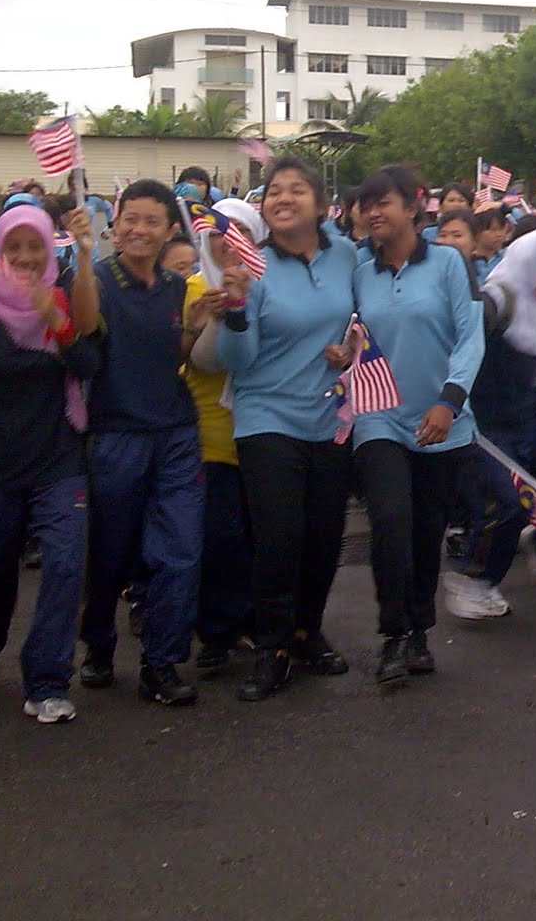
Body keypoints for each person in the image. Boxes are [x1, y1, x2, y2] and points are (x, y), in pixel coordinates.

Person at [216, 157, 359, 702]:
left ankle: (307, 631)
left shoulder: (347, 256)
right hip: (266, 415)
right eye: (274, 190)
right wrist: (234, 307)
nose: (284, 198)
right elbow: (239, 359)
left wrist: (351, 348)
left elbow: (365, 322)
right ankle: (270, 647)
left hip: (332, 418)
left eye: (297, 190)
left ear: (322, 206)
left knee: (325, 538)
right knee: (279, 537)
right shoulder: (251, 266)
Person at [0, 204, 101, 724]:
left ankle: (47, 681)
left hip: (58, 462)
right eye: (12, 247)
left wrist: (54, 319)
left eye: (33, 247)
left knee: (64, 565)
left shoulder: (62, 300)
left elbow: (90, 366)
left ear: (49, 249)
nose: (22, 258)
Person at [79, 180, 211, 707]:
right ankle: (99, 645)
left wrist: (195, 329)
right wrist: (85, 259)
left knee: (179, 551)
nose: (138, 229)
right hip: (115, 434)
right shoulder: (95, 281)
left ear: (169, 230)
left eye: (150, 221)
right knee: (111, 554)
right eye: (129, 218)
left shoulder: (176, 288)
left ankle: (161, 662)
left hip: (176, 433)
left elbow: (170, 355)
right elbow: (84, 335)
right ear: (115, 223)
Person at [352, 167, 483, 683]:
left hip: (442, 420)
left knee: (428, 530)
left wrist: (449, 401)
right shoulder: (361, 273)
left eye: (383, 202)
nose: (373, 212)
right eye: (366, 204)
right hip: (377, 416)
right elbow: (354, 337)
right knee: (389, 519)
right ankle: (392, 634)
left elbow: (471, 337)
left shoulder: (450, 263)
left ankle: (419, 630)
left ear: (414, 206)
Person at [444, 227, 536, 620]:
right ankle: (470, 579)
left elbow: (530, 355)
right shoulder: (496, 299)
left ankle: (484, 583)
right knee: (507, 504)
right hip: (485, 424)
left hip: (522, 421)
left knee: (518, 506)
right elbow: (464, 349)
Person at [182, 198, 269, 671]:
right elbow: (198, 360)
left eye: (239, 231)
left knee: (260, 536)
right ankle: (215, 632)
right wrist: (208, 318)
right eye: (218, 231)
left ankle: (258, 624)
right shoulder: (194, 287)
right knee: (219, 537)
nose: (227, 240)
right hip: (210, 432)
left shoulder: (271, 286)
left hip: (263, 430)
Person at [472, 208, 510, 283]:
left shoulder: (508, 255)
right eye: (493, 230)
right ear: (477, 232)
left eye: (501, 229)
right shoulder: (467, 262)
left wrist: (505, 207)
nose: (499, 234)